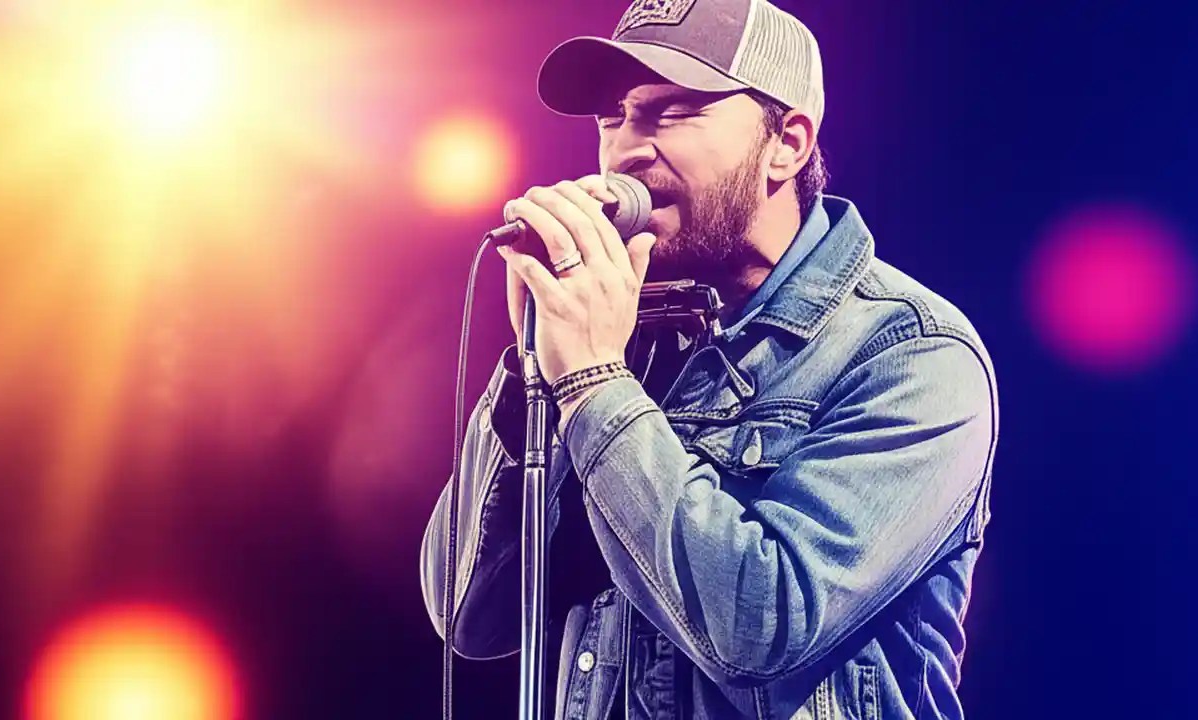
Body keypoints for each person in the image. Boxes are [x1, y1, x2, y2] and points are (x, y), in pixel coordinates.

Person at [419, 0, 999, 717]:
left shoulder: (912, 353)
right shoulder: (627, 337)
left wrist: (597, 383)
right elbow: (468, 614)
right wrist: (533, 373)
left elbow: (758, 632)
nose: (625, 149)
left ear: (785, 144)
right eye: (614, 117)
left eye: (673, 112)